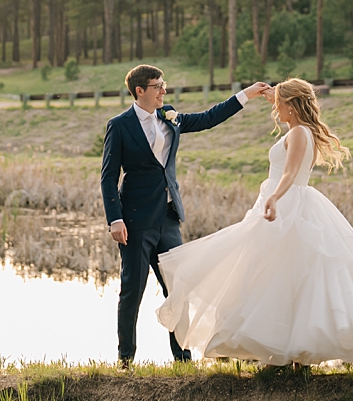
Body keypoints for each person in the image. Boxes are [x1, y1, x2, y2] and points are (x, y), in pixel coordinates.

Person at [155, 77, 353, 366]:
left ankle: (293, 352)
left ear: (293, 105)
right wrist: (274, 94)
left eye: (280, 104)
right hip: (284, 203)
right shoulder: (297, 128)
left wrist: (275, 198)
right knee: (273, 275)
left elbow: (289, 173)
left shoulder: (300, 133)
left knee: (291, 275)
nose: (276, 109)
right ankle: (285, 352)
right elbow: (287, 132)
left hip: (288, 206)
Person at [100, 64, 270, 366]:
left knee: (179, 291)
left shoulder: (170, 116)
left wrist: (245, 95)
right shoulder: (120, 125)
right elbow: (108, 176)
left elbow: (208, 118)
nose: (164, 90)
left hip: (167, 219)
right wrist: (115, 219)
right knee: (132, 292)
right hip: (136, 222)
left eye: (164, 84)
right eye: (158, 86)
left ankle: (183, 360)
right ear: (140, 91)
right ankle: (125, 360)